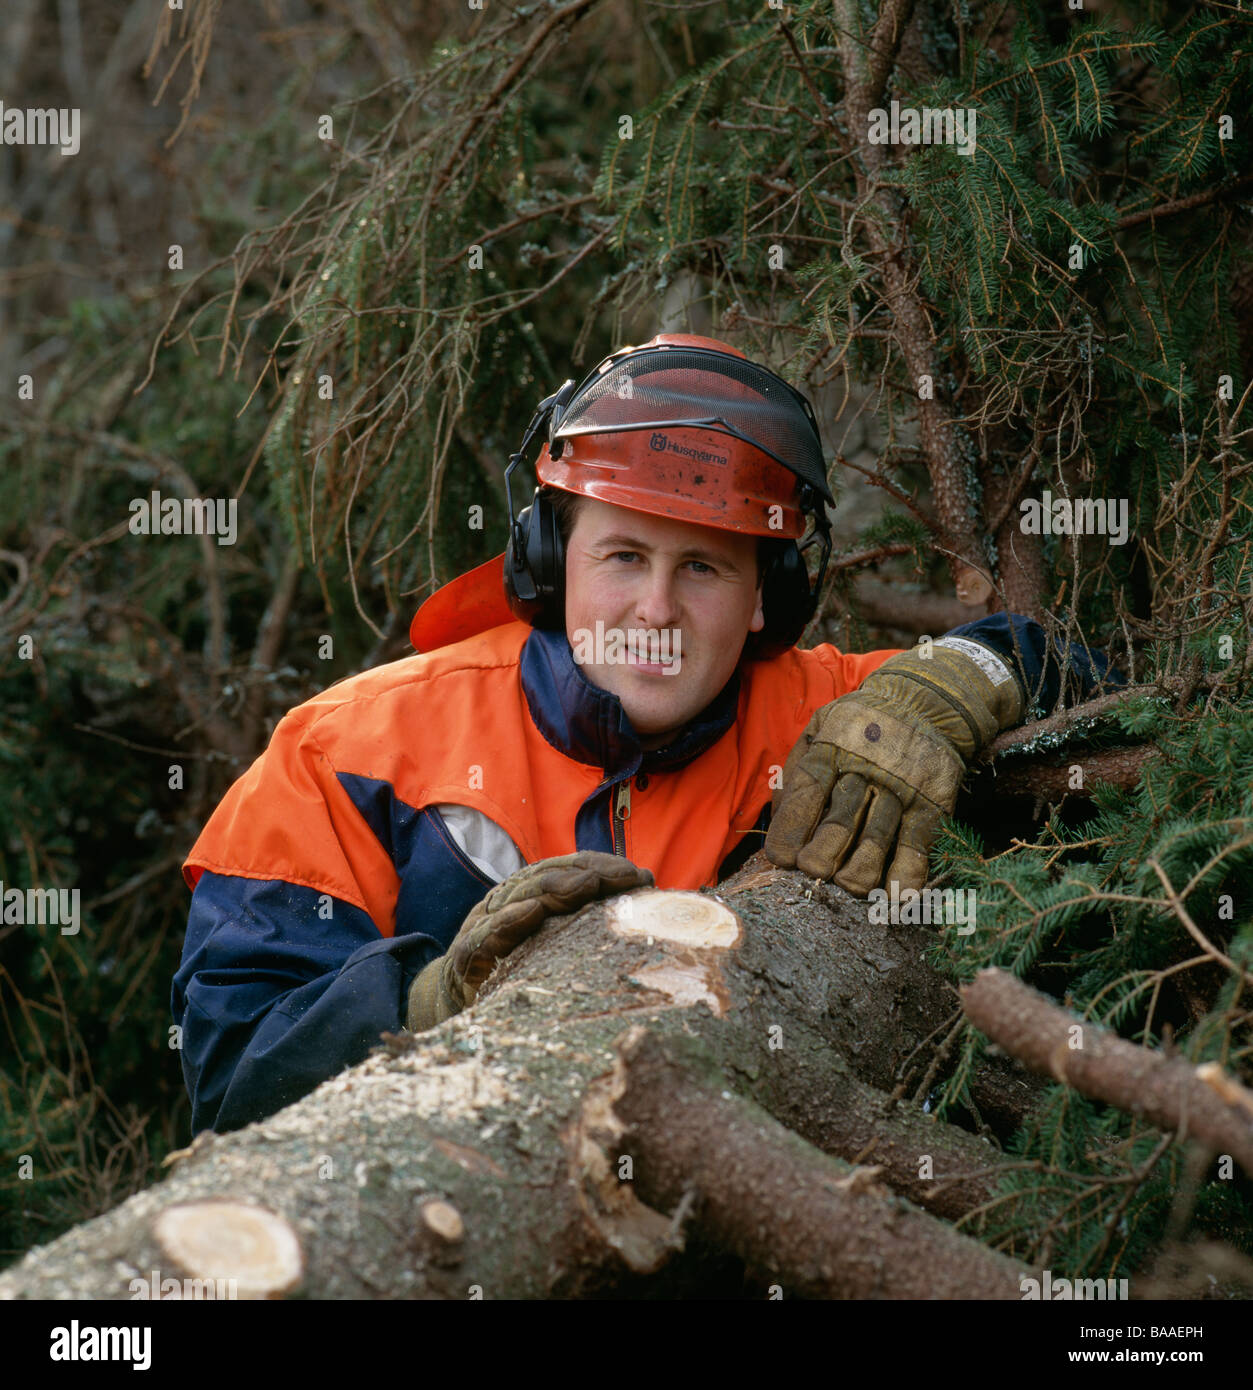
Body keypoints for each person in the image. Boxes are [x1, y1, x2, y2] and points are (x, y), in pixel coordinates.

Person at [174, 333, 1122, 1134]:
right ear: (551, 561)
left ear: (766, 599)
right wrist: (431, 1004)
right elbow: (231, 1070)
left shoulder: (834, 715)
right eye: (622, 555)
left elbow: (1095, 684)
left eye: (704, 568)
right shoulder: (344, 751)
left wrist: (955, 683)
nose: (655, 609)